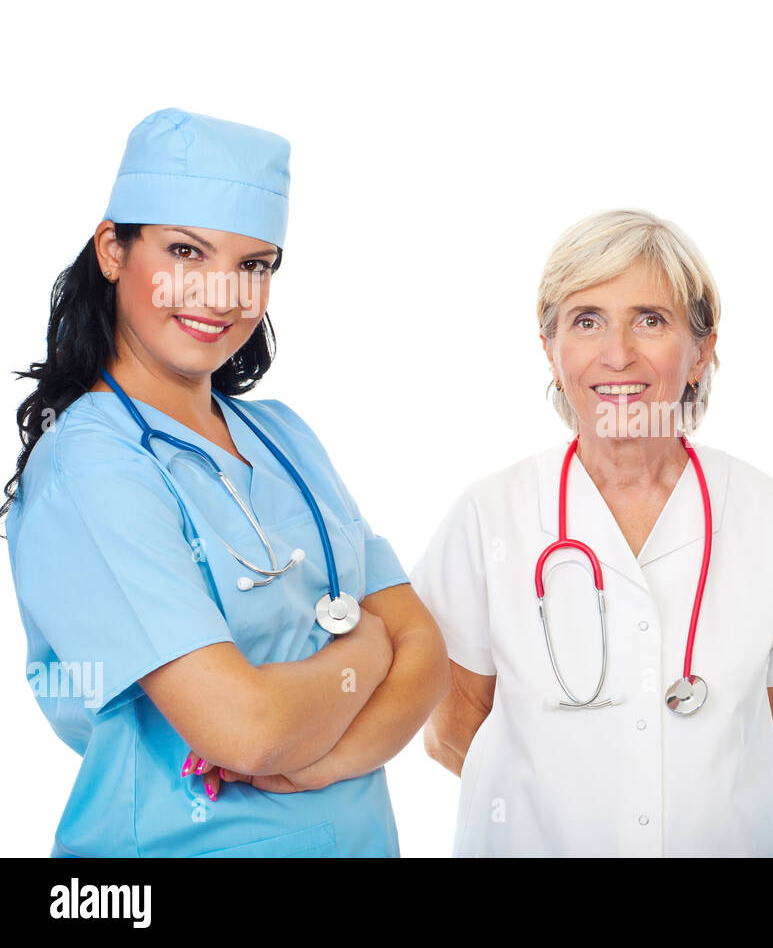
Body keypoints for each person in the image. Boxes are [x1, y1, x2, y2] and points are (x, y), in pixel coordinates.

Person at [2, 108, 449, 856]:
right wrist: (368, 652)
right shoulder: (90, 466)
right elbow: (247, 730)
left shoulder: (283, 437)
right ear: (113, 249)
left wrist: (325, 763)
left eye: (253, 265)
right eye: (186, 251)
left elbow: (427, 656)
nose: (221, 295)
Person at [411, 209, 773, 856]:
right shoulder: (491, 516)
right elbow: (450, 730)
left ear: (701, 348)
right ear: (550, 347)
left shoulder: (771, 516)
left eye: (650, 320)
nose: (618, 353)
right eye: (587, 321)